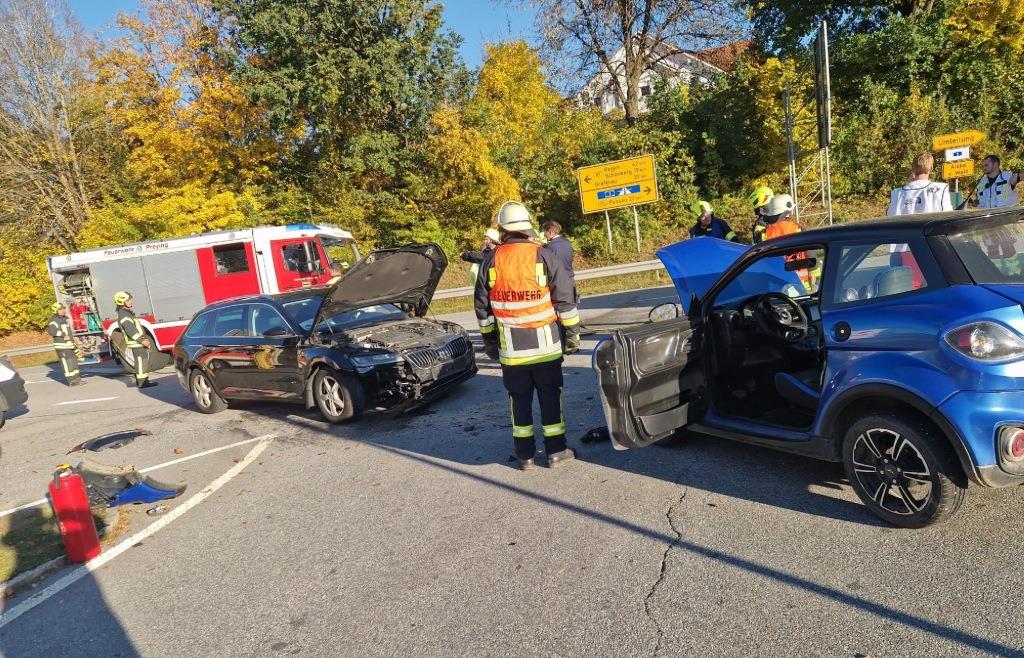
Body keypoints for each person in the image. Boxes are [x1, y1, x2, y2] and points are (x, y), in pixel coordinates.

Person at [474, 201, 580, 471]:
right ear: (527, 227)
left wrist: (489, 342)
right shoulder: (544, 255)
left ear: (503, 230)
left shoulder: (491, 260)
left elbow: (483, 309)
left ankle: (525, 456)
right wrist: (572, 336)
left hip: (511, 351)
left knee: (518, 401)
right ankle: (556, 452)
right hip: (546, 347)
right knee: (549, 398)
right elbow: (565, 299)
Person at [887, 152, 953, 217]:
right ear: (931, 168)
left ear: (912, 168)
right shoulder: (941, 190)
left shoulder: (896, 193)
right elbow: (948, 218)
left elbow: (890, 218)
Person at [114, 291, 157, 389]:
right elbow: (130, 330)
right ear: (122, 302)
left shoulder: (126, 313)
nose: (131, 302)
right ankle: (142, 382)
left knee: (142, 361)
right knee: (141, 361)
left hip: (136, 342)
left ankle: (142, 380)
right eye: (128, 300)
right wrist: (141, 340)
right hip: (136, 343)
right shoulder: (124, 315)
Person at [47, 303, 83, 387]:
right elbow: (51, 331)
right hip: (62, 347)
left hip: (69, 345)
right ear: (55, 311)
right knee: (67, 364)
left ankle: (77, 380)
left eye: (63, 309)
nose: (63, 310)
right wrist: (63, 335)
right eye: (60, 309)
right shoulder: (54, 320)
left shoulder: (64, 319)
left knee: (74, 363)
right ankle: (72, 381)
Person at [542, 220, 578, 304]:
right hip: (570, 282)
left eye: (545, 232)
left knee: (560, 312)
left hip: (558, 285)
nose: (544, 235)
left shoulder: (549, 248)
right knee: (571, 311)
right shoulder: (567, 243)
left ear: (550, 232)